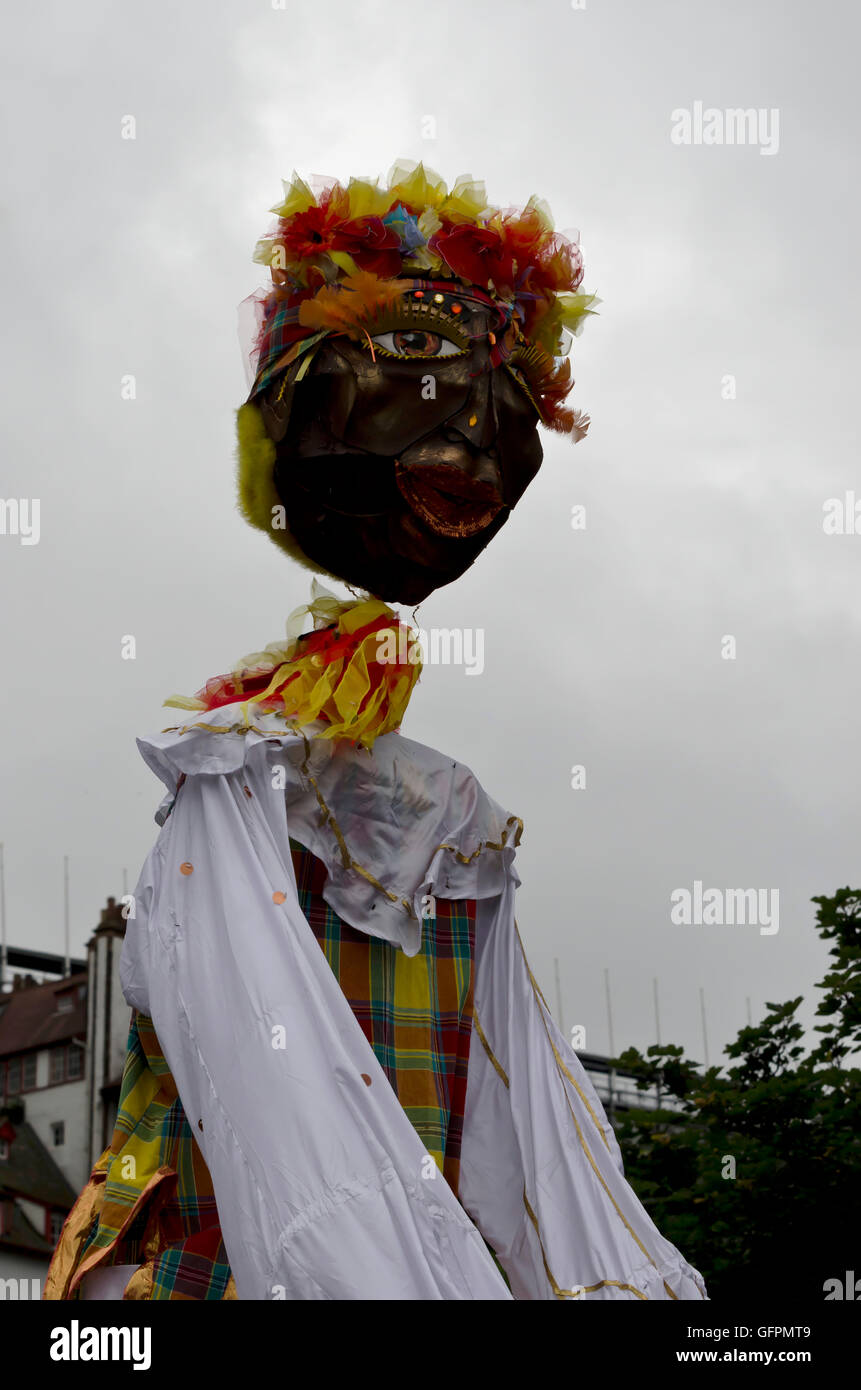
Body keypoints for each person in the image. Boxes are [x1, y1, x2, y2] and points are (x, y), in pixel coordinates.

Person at [45, 162, 706, 1301]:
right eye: (414, 362)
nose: (473, 431)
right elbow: (275, 1101)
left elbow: (527, 1125)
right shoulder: (245, 785)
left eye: (501, 391)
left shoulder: (455, 829)